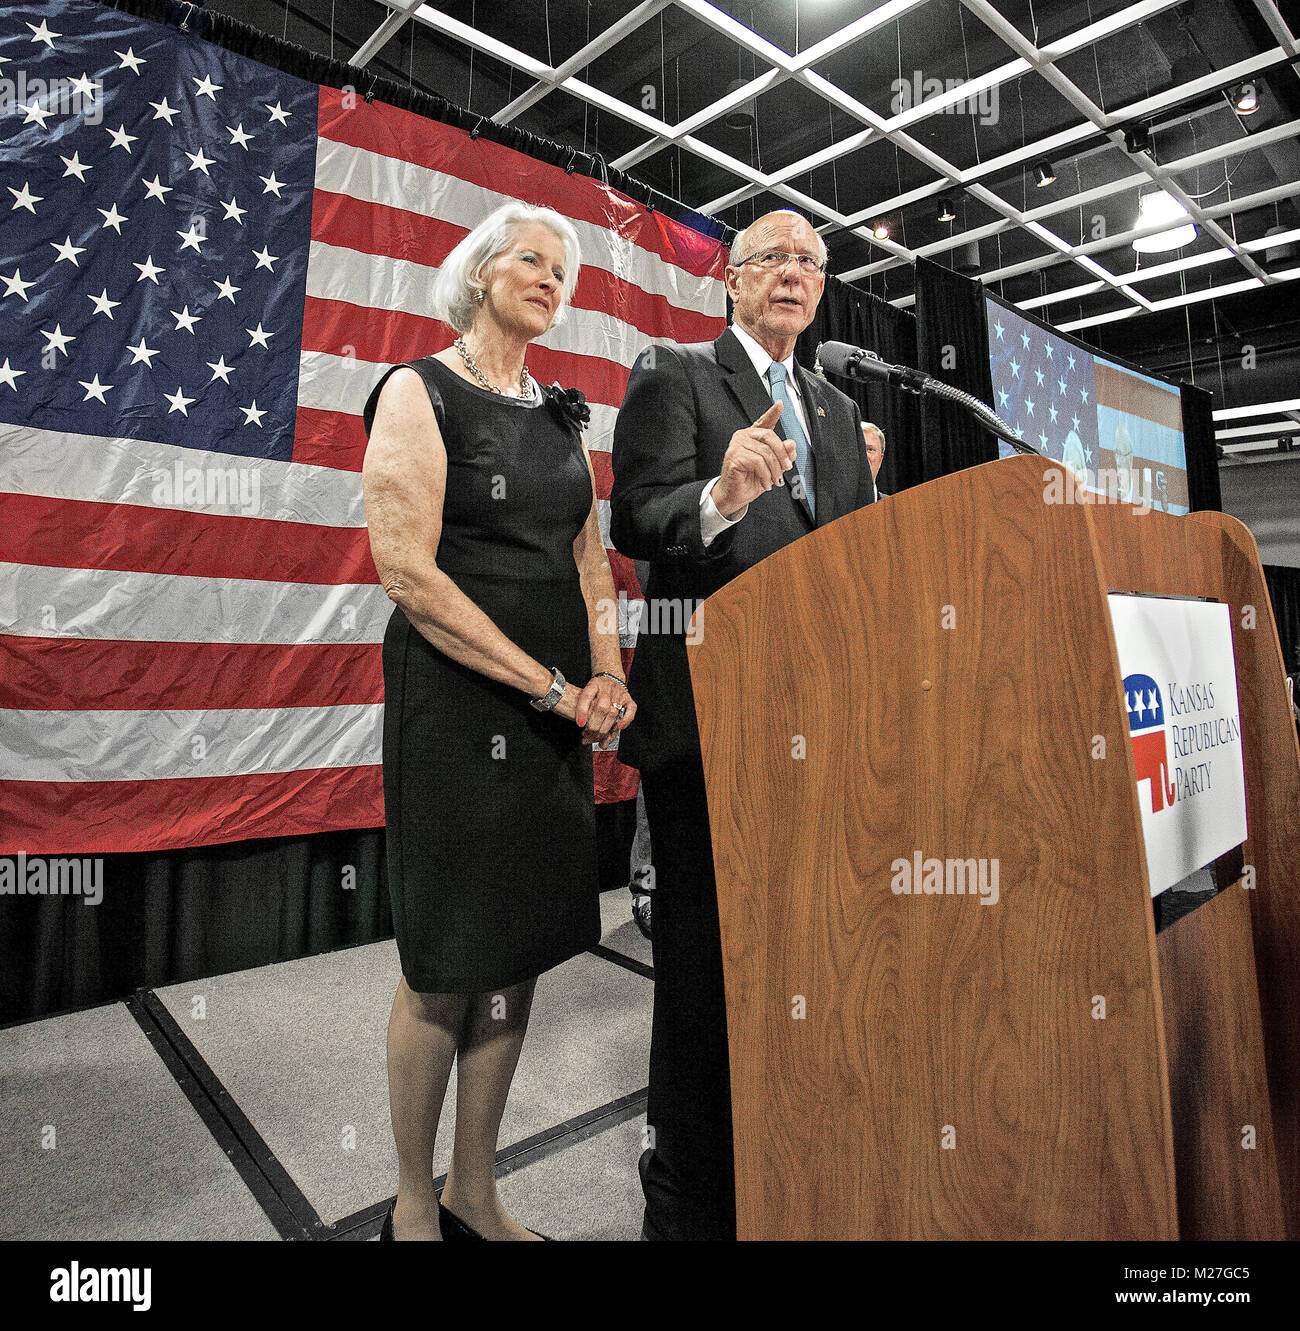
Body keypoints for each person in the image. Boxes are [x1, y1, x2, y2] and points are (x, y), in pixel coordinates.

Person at [361, 201, 636, 1242]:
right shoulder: (416, 389)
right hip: (459, 704)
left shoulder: (560, 413)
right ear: (480, 271)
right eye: (533, 258)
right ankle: (411, 1199)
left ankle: (476, 1188)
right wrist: (552, 686)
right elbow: (406, 572)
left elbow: (588, 559)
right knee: (445, 960)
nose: (553, 276)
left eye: (565, 268)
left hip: (555, 713)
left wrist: (604, 674)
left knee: (514, 949)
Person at [610, 208, 876, 1240]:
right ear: (730, 279)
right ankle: (683, 1193)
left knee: (801, 959)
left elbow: (854, 558)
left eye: (811, 263)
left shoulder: (834, 404)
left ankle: (785, 1156)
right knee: (700, 963)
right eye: (773, 259)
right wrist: (718, 494)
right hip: (708, 725)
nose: (794, 276)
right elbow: (635, 515)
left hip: (821, 733)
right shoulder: (673, 372)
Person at [862, 421, 888, 496]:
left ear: (880, 459)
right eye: (859, 448)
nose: (864, 455)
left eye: (870, 449)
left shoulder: (895, 506)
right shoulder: (832, 506)